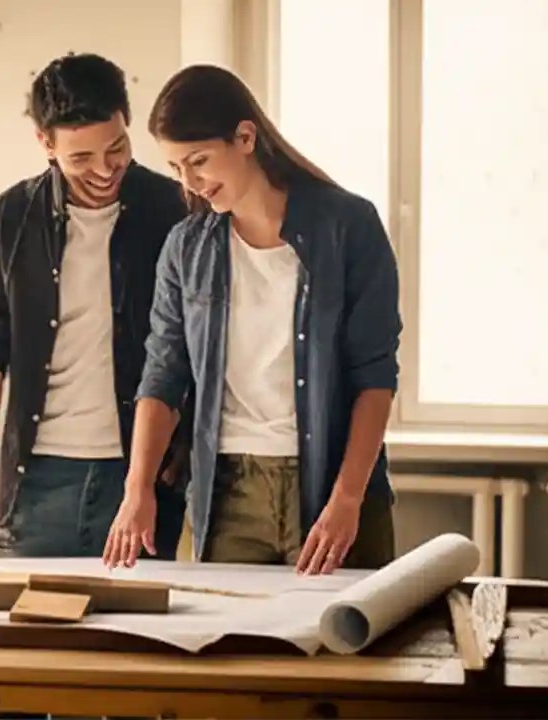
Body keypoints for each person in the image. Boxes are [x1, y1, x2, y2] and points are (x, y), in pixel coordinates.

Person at [102, 65, 402, 575]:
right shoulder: (186, 248)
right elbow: (163, 375)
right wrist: (138, 488)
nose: (190, 183)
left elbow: (374, 376)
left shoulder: (348, 227)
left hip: (332, 488)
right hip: (226, 494)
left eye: (199, 161)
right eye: (176, 168)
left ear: (245, 137)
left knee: (342, 627)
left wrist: (349, 498)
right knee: (219, 627)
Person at [0, 53, 191, 562]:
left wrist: (188, 441)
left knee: (136, 613)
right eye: (80, 158)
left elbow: (198, 346)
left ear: (126, 120)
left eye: (116, 147)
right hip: (34, 481)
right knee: (30, 614)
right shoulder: (6, 221)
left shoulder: (176, 210)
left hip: (140, 476)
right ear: (46, 144)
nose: (103, 170)